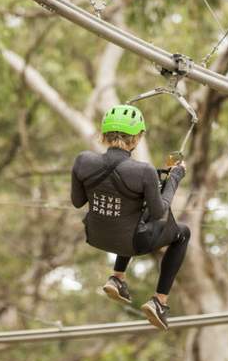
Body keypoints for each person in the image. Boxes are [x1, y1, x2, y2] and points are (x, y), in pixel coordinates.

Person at [70, 104, 191, 331]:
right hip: (132, 242)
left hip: (95, 235)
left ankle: (117, 278)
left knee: (132, 213)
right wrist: (175, 177)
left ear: (104, 134)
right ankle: (159, 301)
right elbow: (160, 212)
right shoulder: (143, 171)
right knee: (183, 233)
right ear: (136, 138)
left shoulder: (82, 160)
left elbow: (78, 201)